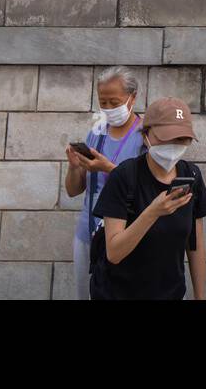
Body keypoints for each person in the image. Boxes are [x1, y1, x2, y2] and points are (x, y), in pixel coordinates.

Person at [90, 97, 206, 300]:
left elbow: (195, 244)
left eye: (181, 139)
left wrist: (200, 296)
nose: (173, 145)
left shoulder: (192, 175)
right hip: (118, 293)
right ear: (146, 135)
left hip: (170, 294)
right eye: (166, 137)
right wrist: (153, 212)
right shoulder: (125, 175)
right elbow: (114, 253)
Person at [64, 66, 145, 300]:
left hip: (124, 235)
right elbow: (73, 190)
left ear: (133, 98)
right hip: (87, 233)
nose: (109, 108)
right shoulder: (97, 133)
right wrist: (74, 166)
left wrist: (107, 167)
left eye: (114, 102)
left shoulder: (144, 135)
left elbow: (146, 188)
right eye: (103, 102)